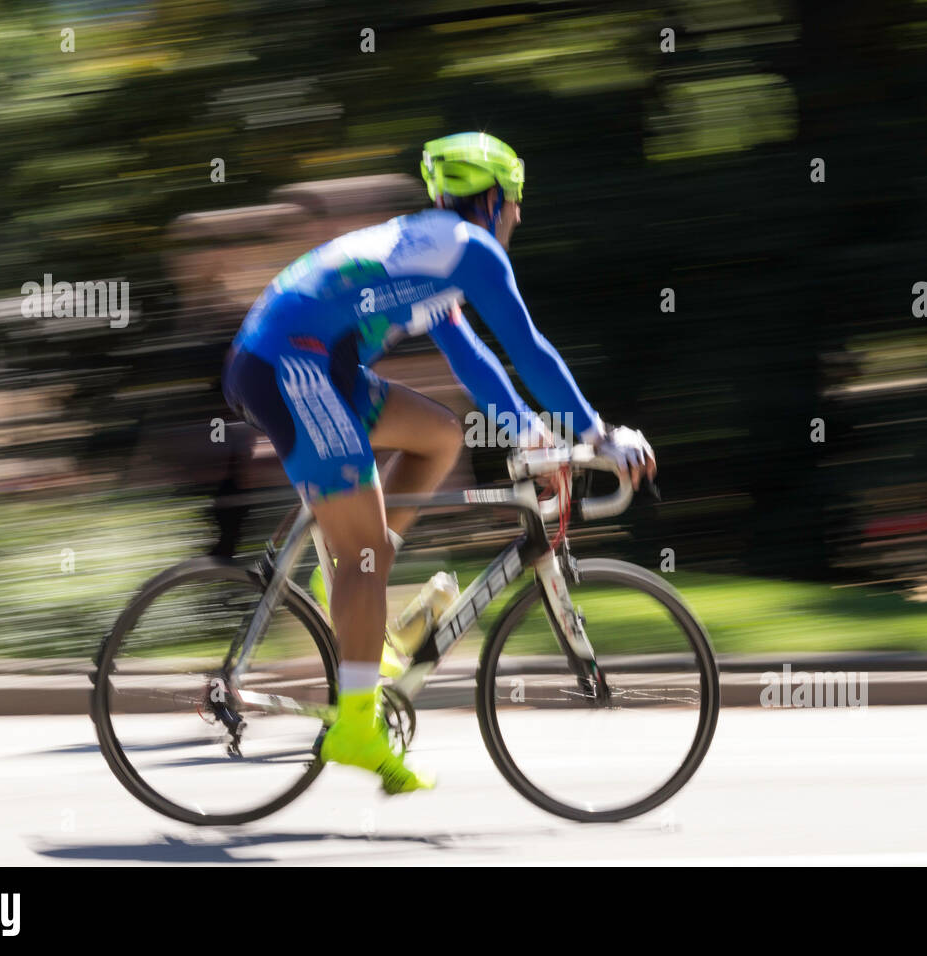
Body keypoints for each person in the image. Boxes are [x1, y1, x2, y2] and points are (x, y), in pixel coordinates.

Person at [221, 131, 655, 794]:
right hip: (289, 366)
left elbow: (474, 360)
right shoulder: (472, 249)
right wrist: (600, 434)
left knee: (440, 436)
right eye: (514, 200)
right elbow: (527, 348)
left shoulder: (437, 250)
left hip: (316, 363)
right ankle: (355, 725)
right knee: (364, 552)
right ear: (492, 200)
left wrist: (529, 432)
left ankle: (349, 591)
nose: (518, 215)